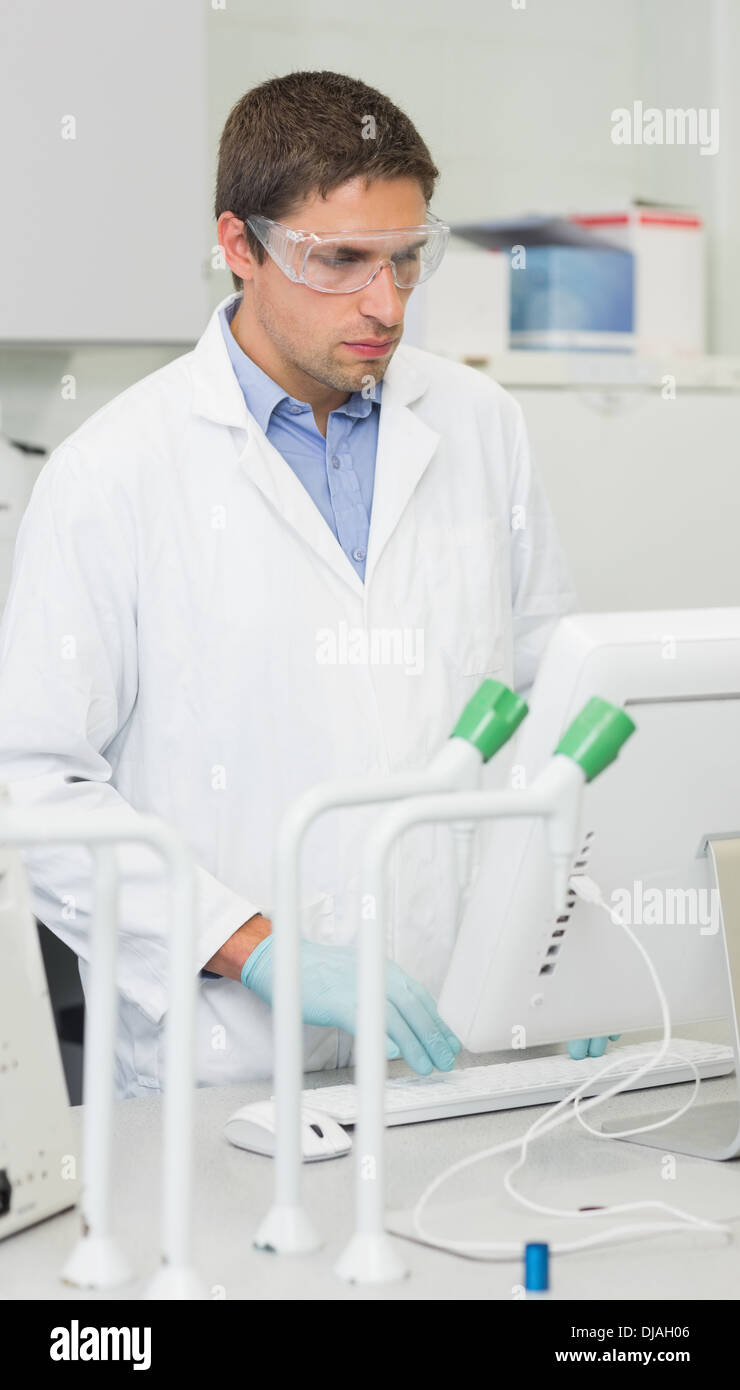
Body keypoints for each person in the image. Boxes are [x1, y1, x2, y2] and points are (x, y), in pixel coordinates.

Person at [0, 71, 584, 1100]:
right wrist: (253, 945)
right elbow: (35, 788)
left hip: (461, 1043)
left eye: (408, 260)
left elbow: (553, 699)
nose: (385, 304)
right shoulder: (115, 472)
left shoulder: (479, 425)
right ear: (239, 245)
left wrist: (573, 963)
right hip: (225, 1069)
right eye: (341, 261)